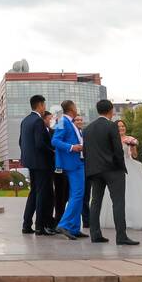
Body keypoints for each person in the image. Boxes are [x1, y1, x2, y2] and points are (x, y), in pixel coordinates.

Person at [83, 100, 137, 244]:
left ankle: (95, 234)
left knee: (95, 202)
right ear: (111, 110)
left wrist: (89, 170)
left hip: (94, 170)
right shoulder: (111, 126)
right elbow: (117, 150)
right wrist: (121, 166)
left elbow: (86, 151)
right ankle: (121, 236)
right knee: (118, 202)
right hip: (113, 170)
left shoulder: (87, 129)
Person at [18, 95, 55, 234]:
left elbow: (21, 142)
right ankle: (40, 226)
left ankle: (26, 224)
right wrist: (53, 151)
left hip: (30, 162)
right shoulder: (38, 121)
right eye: (44, 105)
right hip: (41, 163)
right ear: (39, 105)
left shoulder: (25, 121)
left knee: (33, 192)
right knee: (41, 194)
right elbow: (40, 144)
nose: (44, 107)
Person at [52, 100, 87, 240]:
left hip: (77, 161)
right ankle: (64, 224)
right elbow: (54, 141)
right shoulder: (62, 121)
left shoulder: (70, 122)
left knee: (77, 195)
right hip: (72, 162)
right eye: (76, 106)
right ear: (72, 108)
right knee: (78, 195)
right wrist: (72, 147)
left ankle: (74, 228)